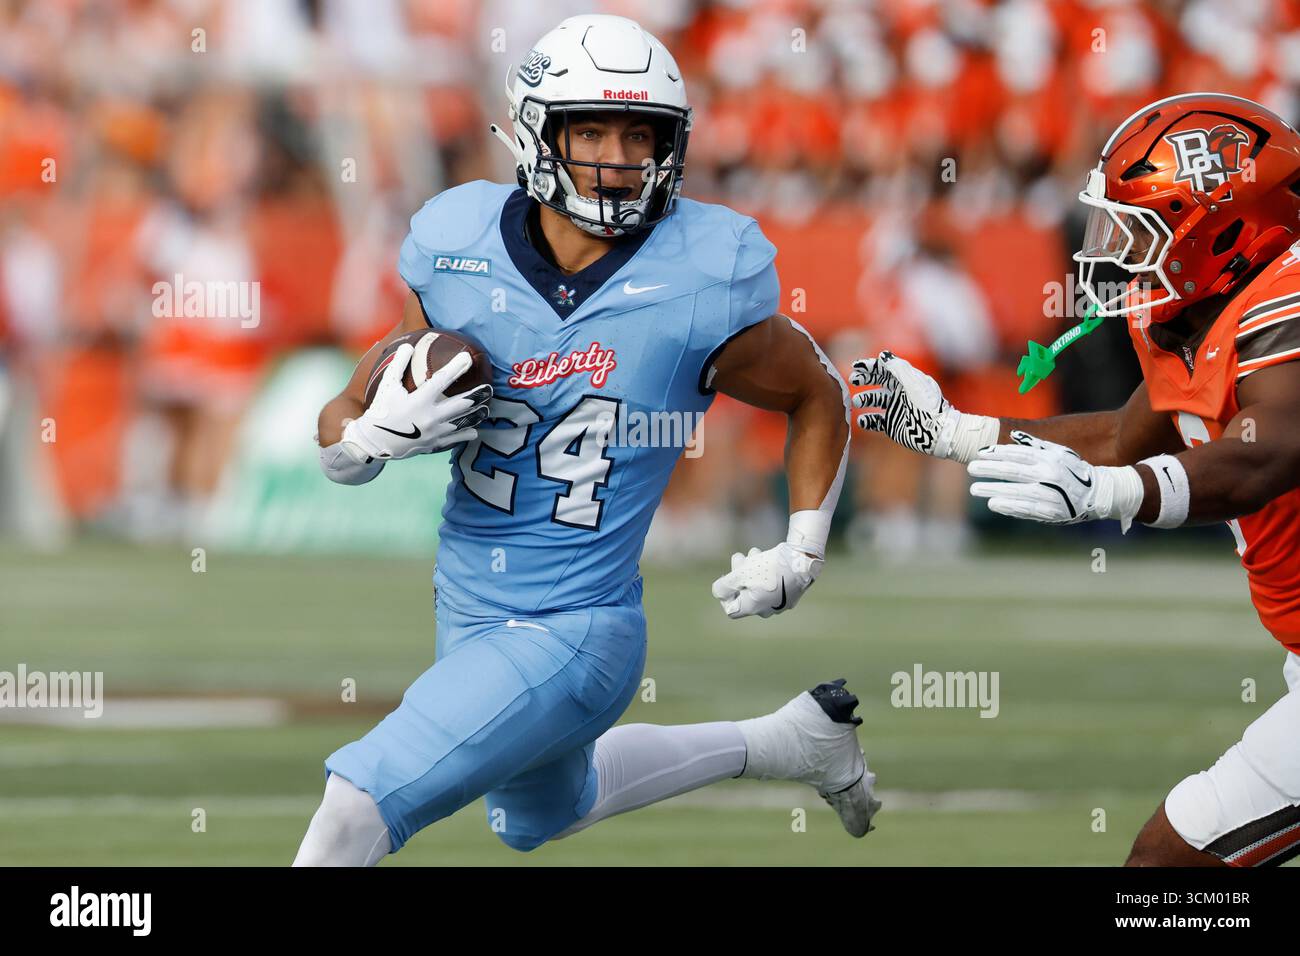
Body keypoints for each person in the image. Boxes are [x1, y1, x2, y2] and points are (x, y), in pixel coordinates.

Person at [295, 14, 878, 865]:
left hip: (579, 623)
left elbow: (816, 390)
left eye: (640, 134)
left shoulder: (700, 274)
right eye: (592, 130)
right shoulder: (459, 247)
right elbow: (342, 414)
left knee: (358, 801)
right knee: (538, 815)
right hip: (465, 604)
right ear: (538, 133)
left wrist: (803, 548)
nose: (618, 156)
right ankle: (790, 742)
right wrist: (365, 443)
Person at [853, 93, 1300, 866]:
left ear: (1221, 227)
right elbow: (1123, 436)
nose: (1115, 254)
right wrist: (957, 432)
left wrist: (1116, 498)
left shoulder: (1283, 300)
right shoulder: (1197, 310)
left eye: (1140, 231)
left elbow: (1267, 453)